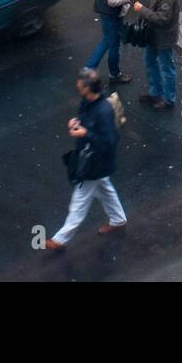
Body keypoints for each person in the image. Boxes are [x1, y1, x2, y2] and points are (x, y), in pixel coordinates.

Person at [44, 69, 127, 251]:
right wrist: (77, 122)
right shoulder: (88, 102)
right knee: (105, 189)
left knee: (79, 201)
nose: (77, 85)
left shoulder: (103, 111)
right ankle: (118, 219)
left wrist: (85, 133)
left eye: (80, 84)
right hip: (94, 160)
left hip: (96, 162)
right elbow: (85, 119)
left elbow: (109, 141)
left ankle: (60, 239)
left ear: (88, 88)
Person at [131, 0, 179, 111]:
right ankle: (155, 92)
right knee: (150, 61)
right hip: (154, 34)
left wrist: (142, 10)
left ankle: (169, 99)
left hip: (163, 36)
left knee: (166, 68)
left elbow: (163, 18)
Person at [87, 0, 136, 84]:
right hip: (113, 15)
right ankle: (106, 73)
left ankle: (96, 72)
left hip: (105, 14)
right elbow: (112, 1)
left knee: (108, 41)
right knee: (111, 44)